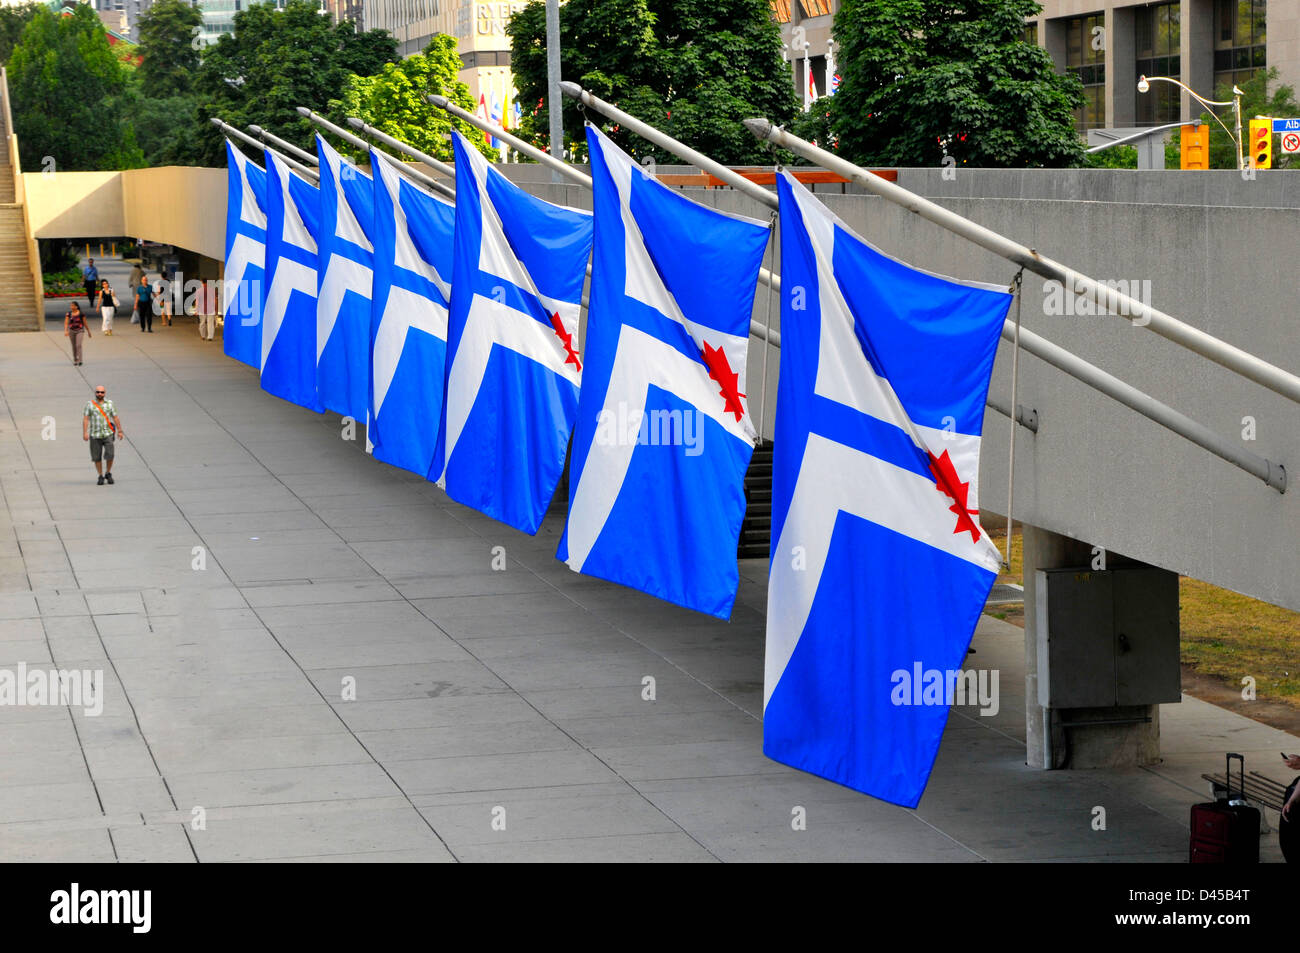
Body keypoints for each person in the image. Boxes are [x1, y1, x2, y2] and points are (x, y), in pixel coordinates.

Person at [82, 385, 124, 485]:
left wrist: (120, 431)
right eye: (98, 392)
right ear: (95, 393)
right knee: (96, 457)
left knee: (110, 455)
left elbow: (115, 417)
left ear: (105, 393)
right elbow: (86, 419)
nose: (100, 394)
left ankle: (108, 473)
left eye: (102, 392)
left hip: (107, 433)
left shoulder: (110, 404)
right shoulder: (89, 404)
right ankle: (100, 475)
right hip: (95, 434)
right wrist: (85, 432)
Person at [63, 301, 90, 366]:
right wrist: (66, 330)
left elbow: (85, 323)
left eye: (73, 306)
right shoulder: (68, 314)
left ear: (76, 306)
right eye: (71, 306)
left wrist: (88, 331)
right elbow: (66, 323)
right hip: (71, 331)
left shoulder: (81, 313)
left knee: (78, 345)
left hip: (80, 330)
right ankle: (75, 359)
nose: (71, 307)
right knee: (74, 346)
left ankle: (80, 360)